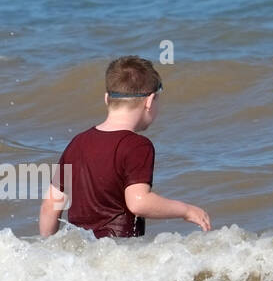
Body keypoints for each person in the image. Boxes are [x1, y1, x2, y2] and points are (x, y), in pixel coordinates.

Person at [39, 55, 210, 238]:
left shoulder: (77, 143)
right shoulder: (137, 146)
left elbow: (51, 205)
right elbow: (138, 202)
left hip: (81, 256)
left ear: (107, 99)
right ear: (150, 101)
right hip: (118, 251)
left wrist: (51, 252)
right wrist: (186, 210)